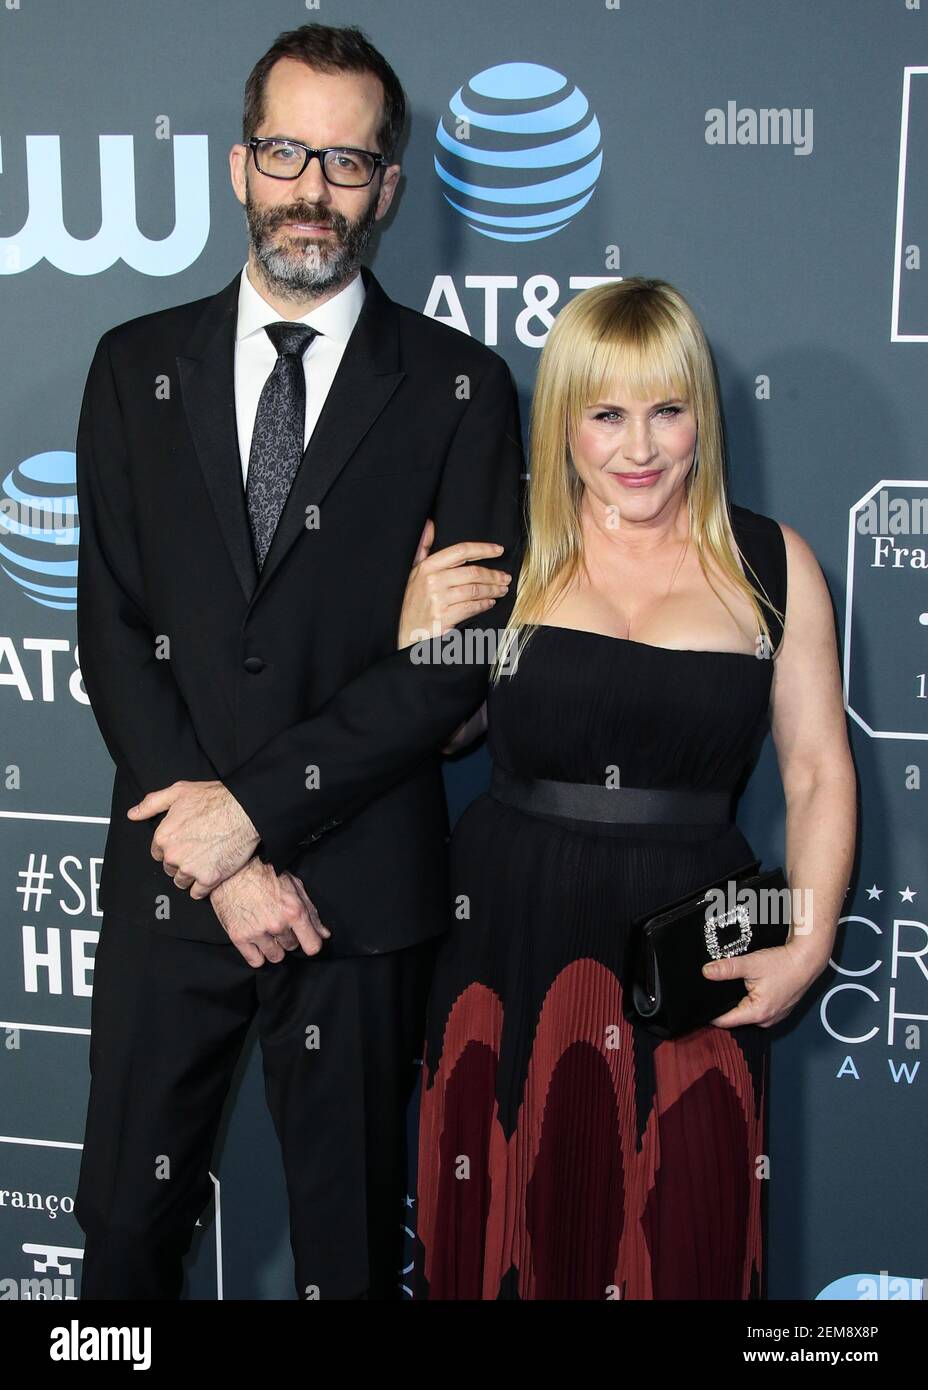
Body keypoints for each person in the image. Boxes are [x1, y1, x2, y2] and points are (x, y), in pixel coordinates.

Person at [73, 22, 522, 1301]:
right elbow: (110, 631)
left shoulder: (458, 390)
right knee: (119, 1245)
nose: (309, 190)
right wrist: (221, 860)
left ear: (387, 185)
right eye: (285, 151)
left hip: (359, 893)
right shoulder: (132, 368)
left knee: (348, 1254)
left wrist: (253, 821)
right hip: (176, 882)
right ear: (236, 166)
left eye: (345, 159)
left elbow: (457, 668)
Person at [403, 277, 857, 1299]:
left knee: (681, 1232)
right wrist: (415, 643)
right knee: (506, 1227)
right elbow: (446, 733)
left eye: (666, 409)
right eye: (605, 414)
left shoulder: (771, 563)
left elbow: (818, 767)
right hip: (505, 929)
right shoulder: (511, 556)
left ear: (703, 411)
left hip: (690, 943)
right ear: (562, 420)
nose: (639, 447)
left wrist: (811, 938)